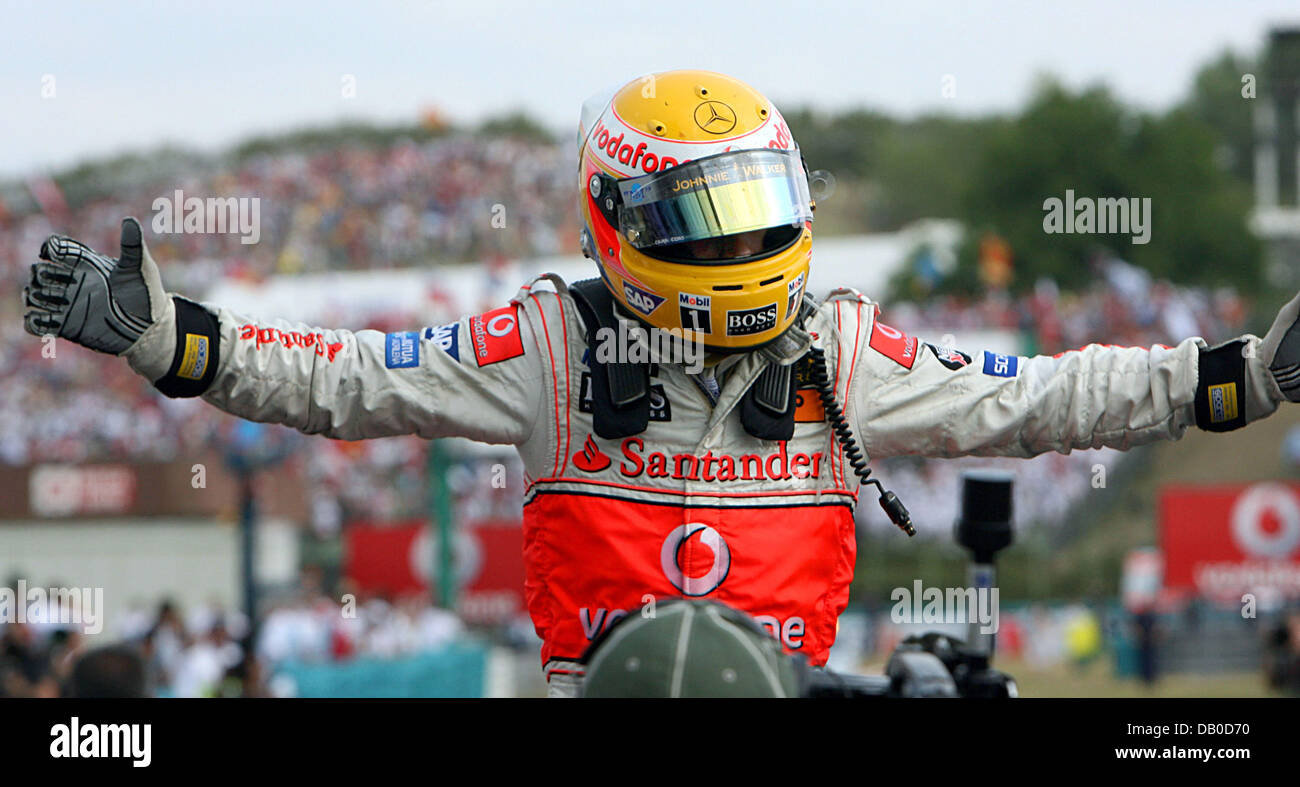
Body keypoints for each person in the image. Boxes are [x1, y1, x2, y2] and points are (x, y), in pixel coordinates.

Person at [21, 70, 1300, 697]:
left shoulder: (836, 348)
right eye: (705, 217)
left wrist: (1243, 377)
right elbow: (346, 378)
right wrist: (168, 337)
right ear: (614, 220)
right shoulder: (550, 351)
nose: (744, 246)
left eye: (758, 210)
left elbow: (1040, 396)